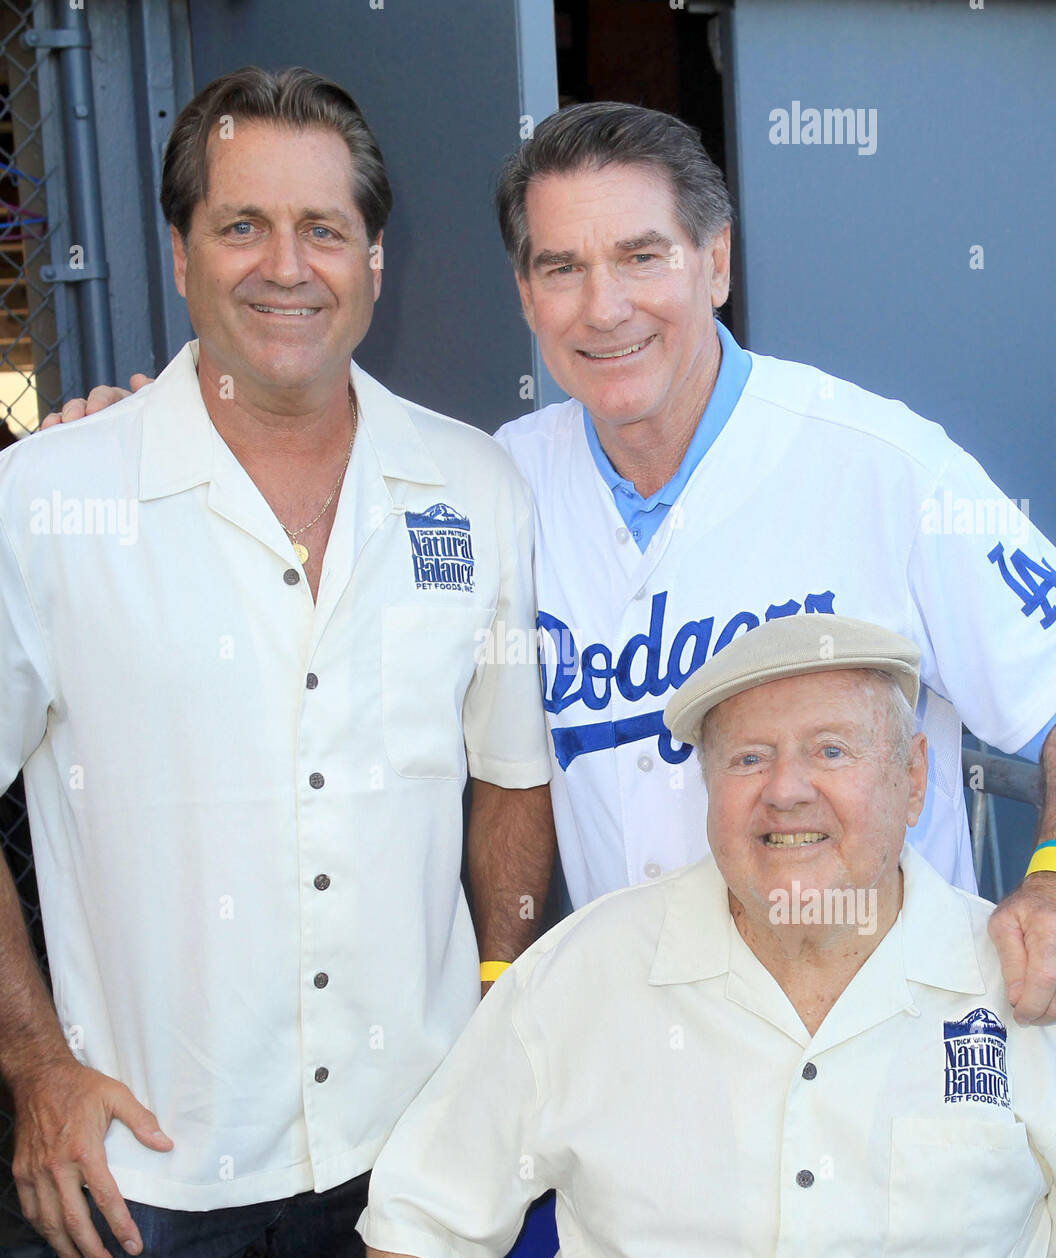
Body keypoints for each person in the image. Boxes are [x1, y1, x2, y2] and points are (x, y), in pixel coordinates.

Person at [48, 101, 1056, 1023]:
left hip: (882, 1033)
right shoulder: (493, 482)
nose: (603, 307)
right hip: (639, 1054)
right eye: (561, 267)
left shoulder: (885, 467)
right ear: (526, 297)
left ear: (716, 262)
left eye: (641, 256)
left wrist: (1048, 875)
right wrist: (138, 431)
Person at [0, 66, 553, 1258]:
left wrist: (495, 1011)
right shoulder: (43, 504)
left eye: (324, 230)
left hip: (403, 1160)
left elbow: (511, 775)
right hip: (134, 1181)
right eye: (242, 224)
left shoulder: (474, 488)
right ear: (182, 251)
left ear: (373, 259)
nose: (285, 266)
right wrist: (35, 1065)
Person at [360, 614, 1056, 1258]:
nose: (785, 790)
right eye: (749, 759)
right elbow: (419, 1211)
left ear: (912, 779)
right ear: (707, 790)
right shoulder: (589, 970)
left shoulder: (1022, 977)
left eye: (830, 752)